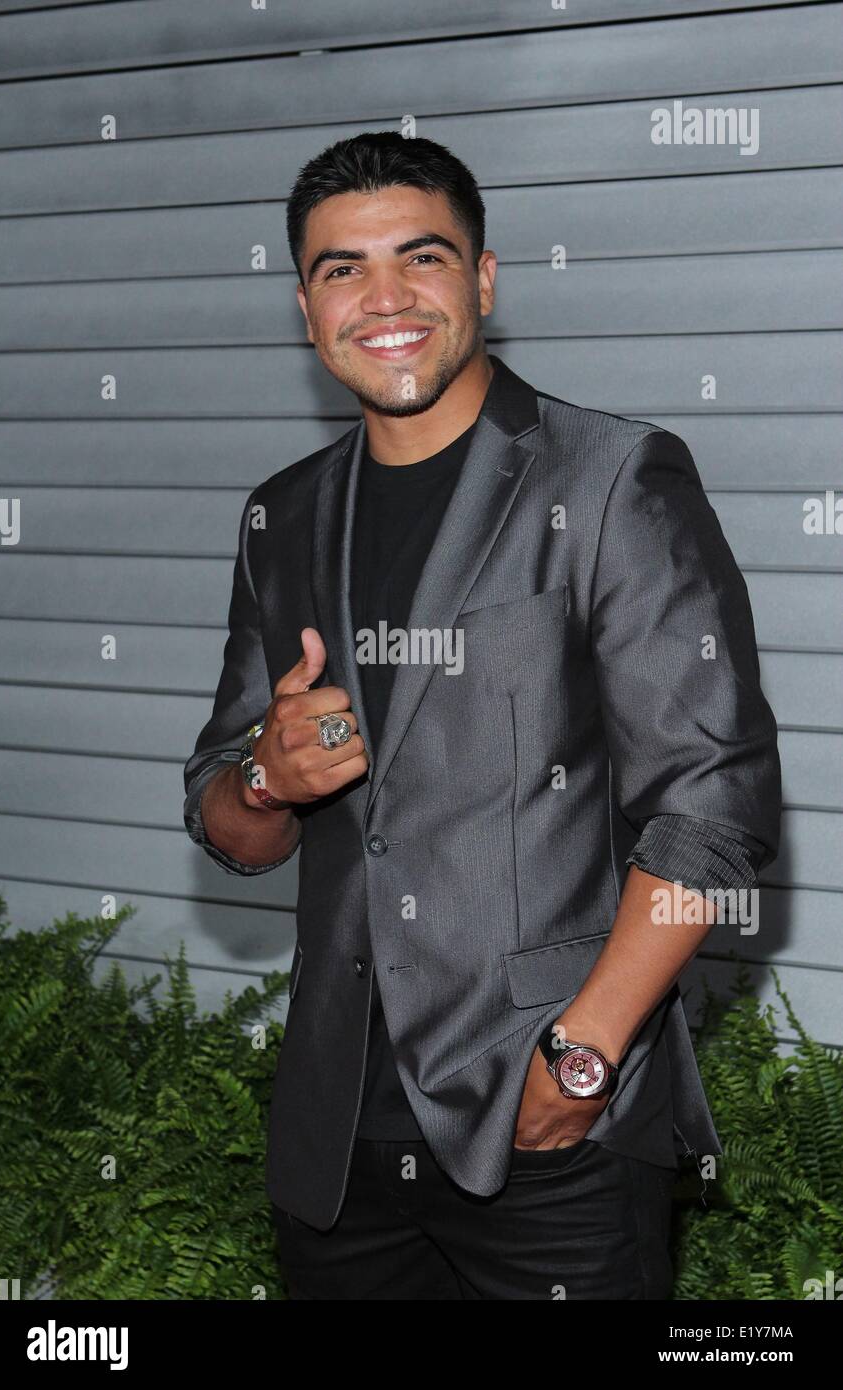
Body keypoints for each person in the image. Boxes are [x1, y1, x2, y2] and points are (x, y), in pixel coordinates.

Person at [183, 132, 781, 1299]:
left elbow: (711, 812)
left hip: (546, 1134)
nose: (385, 298)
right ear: (305, 306)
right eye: (341, 269)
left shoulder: (610, 479)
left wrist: (584, 1055)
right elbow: (228, 826)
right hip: (337, 1143)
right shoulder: (283, 517)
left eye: (421, 257)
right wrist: (266, 778)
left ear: (484, 279)